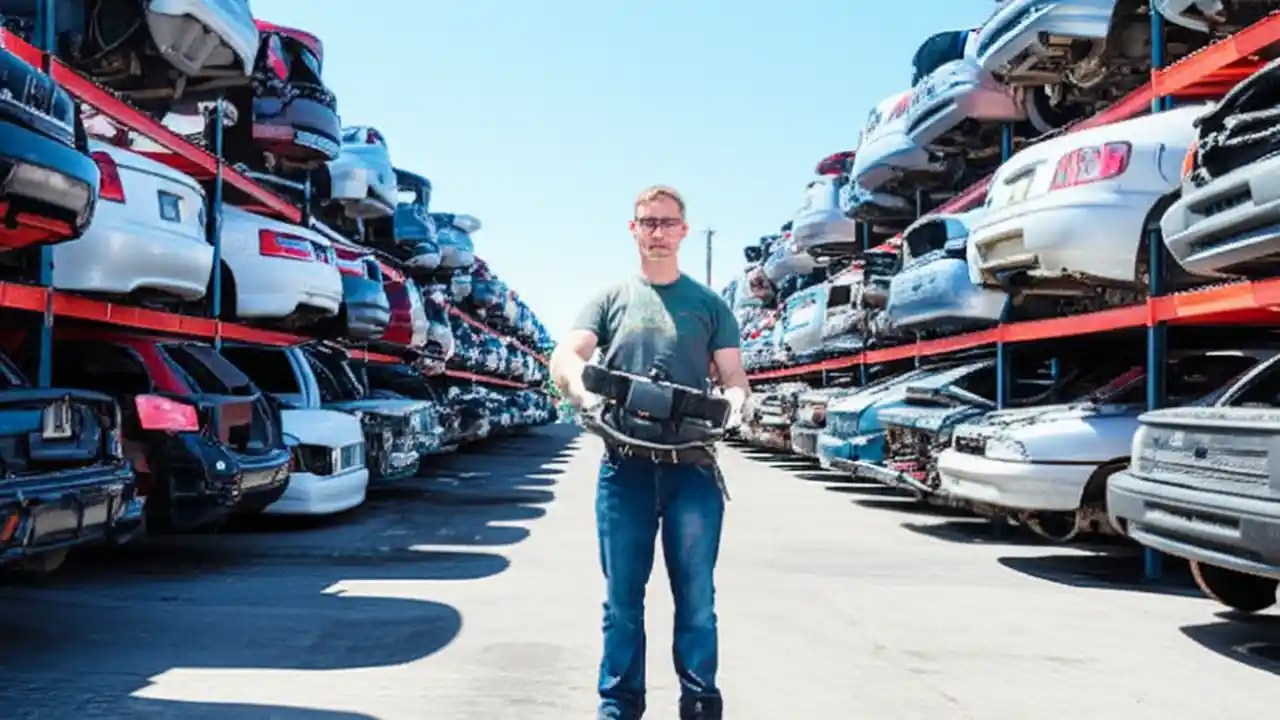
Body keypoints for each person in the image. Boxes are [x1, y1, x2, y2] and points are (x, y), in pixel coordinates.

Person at [550, 185, 749, 720]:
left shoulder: (709, 306)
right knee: (621, 604)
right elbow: (566, 353)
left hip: (693, 472)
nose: (657, 232)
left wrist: (734, 402)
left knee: (697, 604)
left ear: (684, 230)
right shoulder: (610, 299)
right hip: (626, 471)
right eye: (647, 222)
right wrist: (580, 387)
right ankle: (617, 707)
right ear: (633, 229)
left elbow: (732, 374)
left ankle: (700, 703)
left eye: (666, 222)